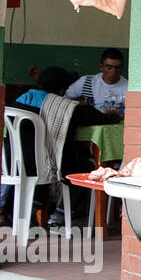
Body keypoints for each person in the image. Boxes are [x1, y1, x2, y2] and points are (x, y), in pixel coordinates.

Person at [8, 66, 118, 227]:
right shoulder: (63, 107)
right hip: (49, 168)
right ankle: (60, 215)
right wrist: (113, 117)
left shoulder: (17, 102)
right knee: (86, 167)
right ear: (61, 90)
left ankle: (29, 209)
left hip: (16, 166)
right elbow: (95, 117)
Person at [65, 48, 128, 116]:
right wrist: (77, 105)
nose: (113, 72)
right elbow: (64, 99)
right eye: (109, 68)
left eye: (118, 68)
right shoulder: (86, 82)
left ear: (122, 68)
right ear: (101, 67)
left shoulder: (129, 87)